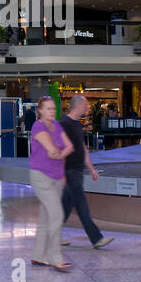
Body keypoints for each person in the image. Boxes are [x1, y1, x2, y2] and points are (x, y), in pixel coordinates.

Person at [59, 94, 112, 249]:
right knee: (81, 204)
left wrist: (91, 169)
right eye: (86, 105)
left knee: (67, 206)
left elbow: (83, 149)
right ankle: (96, 238)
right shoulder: (64, 124)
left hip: (77, 170)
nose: (88, 108)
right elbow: (59, 150)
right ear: (78, 106)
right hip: (69, 172)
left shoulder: (76, 124)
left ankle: (51, 234)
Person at [28, 96, 74, 271]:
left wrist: (61, 161)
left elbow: (68, 147)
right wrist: (60, 152)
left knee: (46, 217)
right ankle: (56, 259)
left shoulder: (57, 126)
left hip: (56, 176)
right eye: (48, 108)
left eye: (54, 108)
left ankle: (38, 256)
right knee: (57, 214)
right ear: (40, 110)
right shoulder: (37, 126)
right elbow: (53, 149)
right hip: (40, 176)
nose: (52, 112)